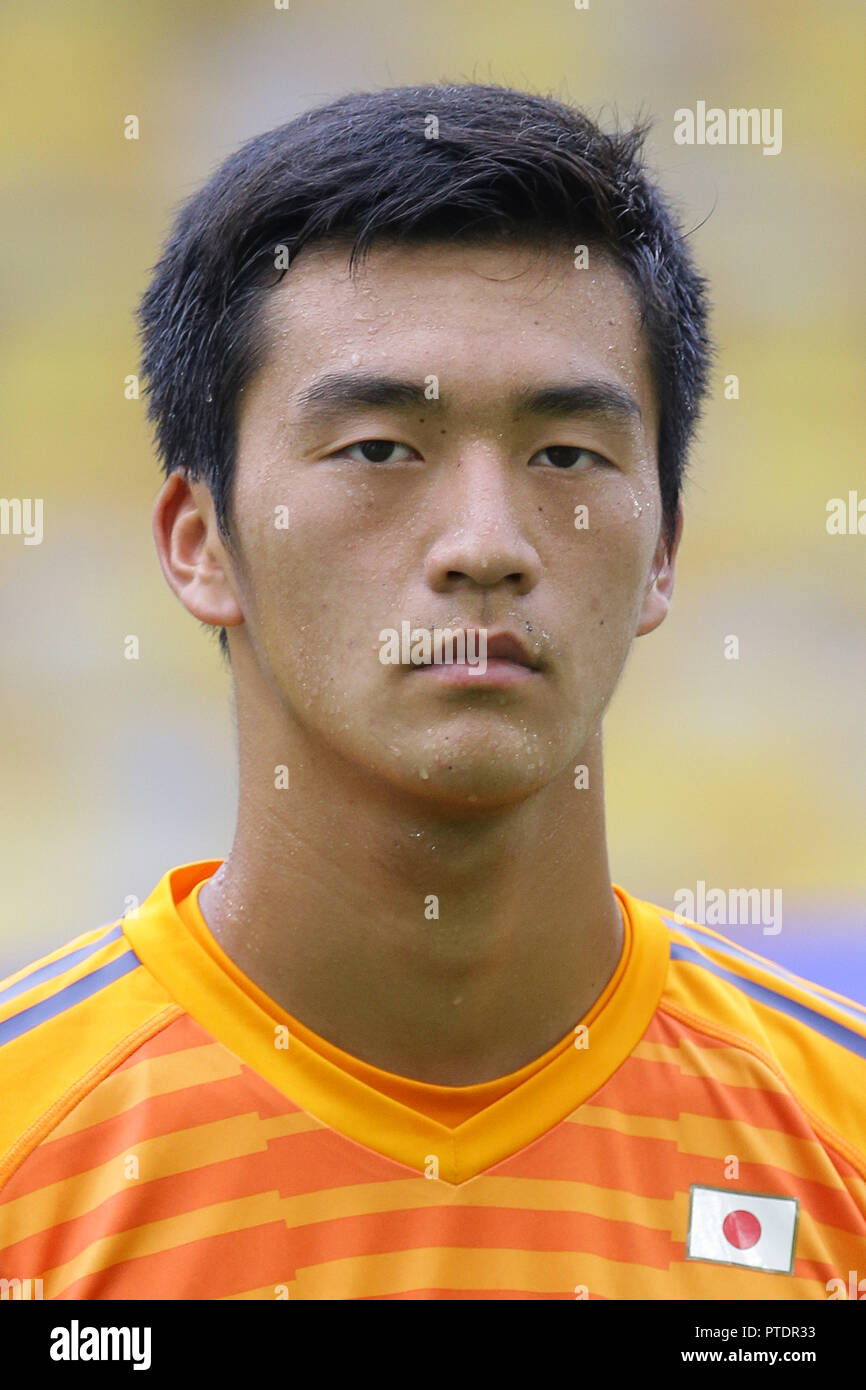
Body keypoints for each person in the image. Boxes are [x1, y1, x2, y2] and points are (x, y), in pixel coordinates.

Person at [1, 83, 863, 1301]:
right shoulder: (26, 1149)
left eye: (564, 454)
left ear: (662, 548)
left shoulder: (840, 1148)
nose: (485, 542)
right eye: (378, 451)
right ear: (200, 540)